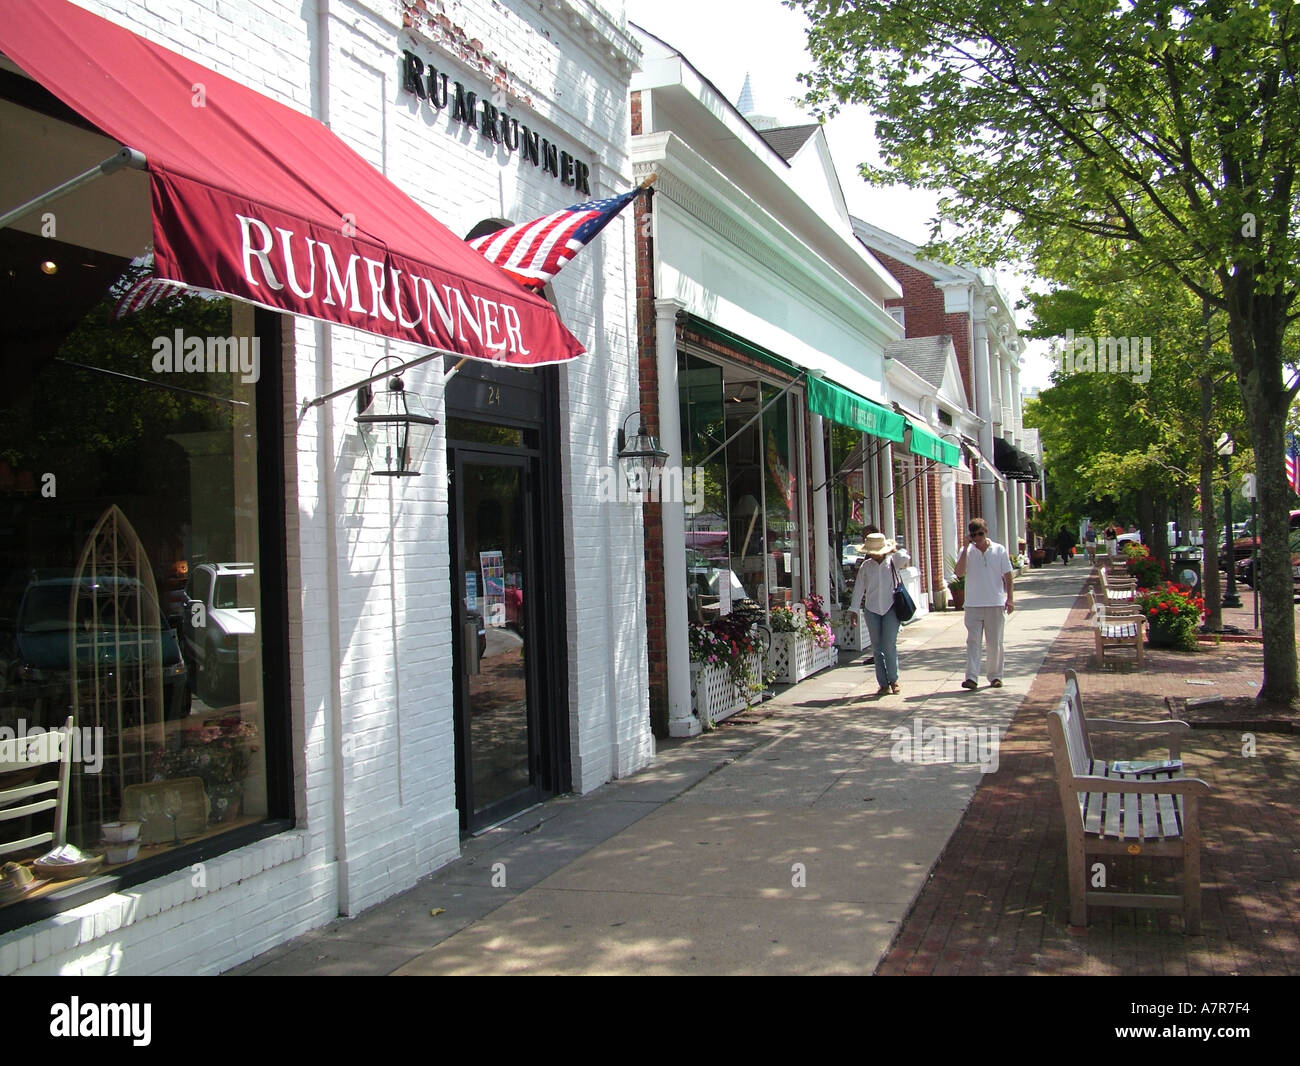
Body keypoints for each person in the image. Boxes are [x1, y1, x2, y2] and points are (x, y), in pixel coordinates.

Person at [953, 518, 1014, 690]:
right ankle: (971, 677)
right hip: (973, 603)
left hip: (994, 602)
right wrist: (965, 548)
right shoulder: (967, 551)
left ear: (986, 532)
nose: (977, 538)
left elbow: (1008, 576)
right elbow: (958, 572)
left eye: (980, 533)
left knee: (995, 642)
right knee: (973, 641)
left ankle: (995, 676)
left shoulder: (999, 550)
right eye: (974, 535)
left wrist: (1010, 598)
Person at [850, 528, 911, 697]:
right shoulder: (866, 566)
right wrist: (854, 609)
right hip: (872, 609)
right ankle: (882, 683)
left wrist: (893, 549)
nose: (874, 555)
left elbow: (905, 557)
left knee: (889, 645)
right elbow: (859, 589)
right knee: (877, 648)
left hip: (890, 607)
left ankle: (893, 679)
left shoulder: (893, 562)